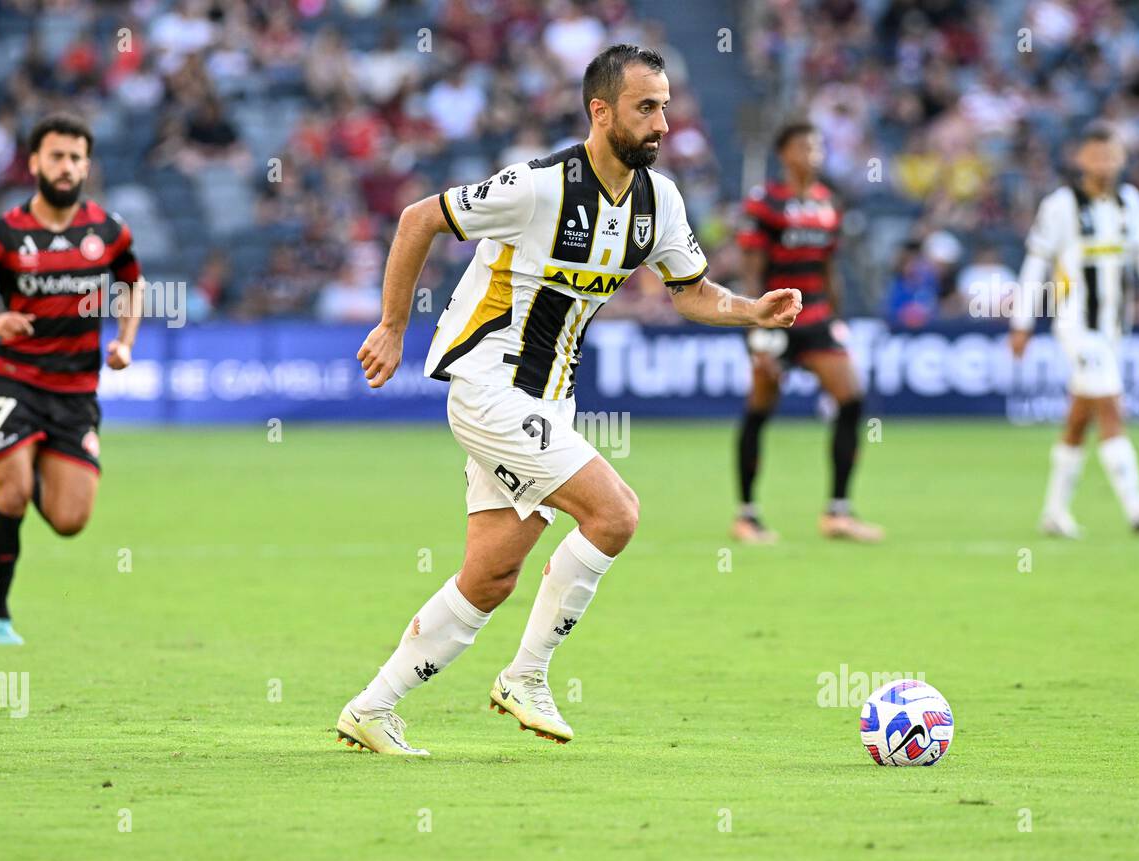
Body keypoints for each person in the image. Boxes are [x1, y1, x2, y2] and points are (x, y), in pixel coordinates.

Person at [336, 45, 803, 755]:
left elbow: (693, 292)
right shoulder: (540, 186)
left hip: (550, 402)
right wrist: (393, 326)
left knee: (491, 576)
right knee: (616, 513)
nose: (663, 123)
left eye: (667, 106)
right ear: (601, 111)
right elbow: (415, 220)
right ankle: (527, 675)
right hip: (488, 384)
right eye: (646, 108)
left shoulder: (659, 201)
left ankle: (371, 707)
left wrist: (752, 311)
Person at [0, 114, 143, 644]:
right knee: (9, 497)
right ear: (34, 162)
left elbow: (133, 283)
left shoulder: (107, 230)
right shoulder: (4, 231)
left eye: (76, 157)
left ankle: (27, 465)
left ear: (86, 166)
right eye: (56, 156)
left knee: (70, 519)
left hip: (76, 392)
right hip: (15, 382)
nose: (66, 166)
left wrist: (125, 341)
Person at [1009, 121, 1139, 538]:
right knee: (1110, 406)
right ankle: (1136, 505)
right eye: (1096, 154)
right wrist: (1022, 321)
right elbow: (1036, 264)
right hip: (1076, 326)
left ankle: (1054, 513)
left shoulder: (1128, 202)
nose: (1104, 163)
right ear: (1080, 158)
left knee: (1079, 419)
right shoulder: (1060, 205)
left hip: (1112, 328)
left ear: (1122, 158)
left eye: (1111, 154)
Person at [733, 122, 883, 544]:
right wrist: (753, 326)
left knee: (851, 400)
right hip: (776, 320)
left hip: (816, 318)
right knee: (760, 409)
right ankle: (747, 514)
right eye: (803, 146)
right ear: (784, 154)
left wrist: (836, 318)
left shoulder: (826, 204)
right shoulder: (765, 203)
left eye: (817, 146)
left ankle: (838, 511)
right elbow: (752, 269)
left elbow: (828, 268)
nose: (813, 154)